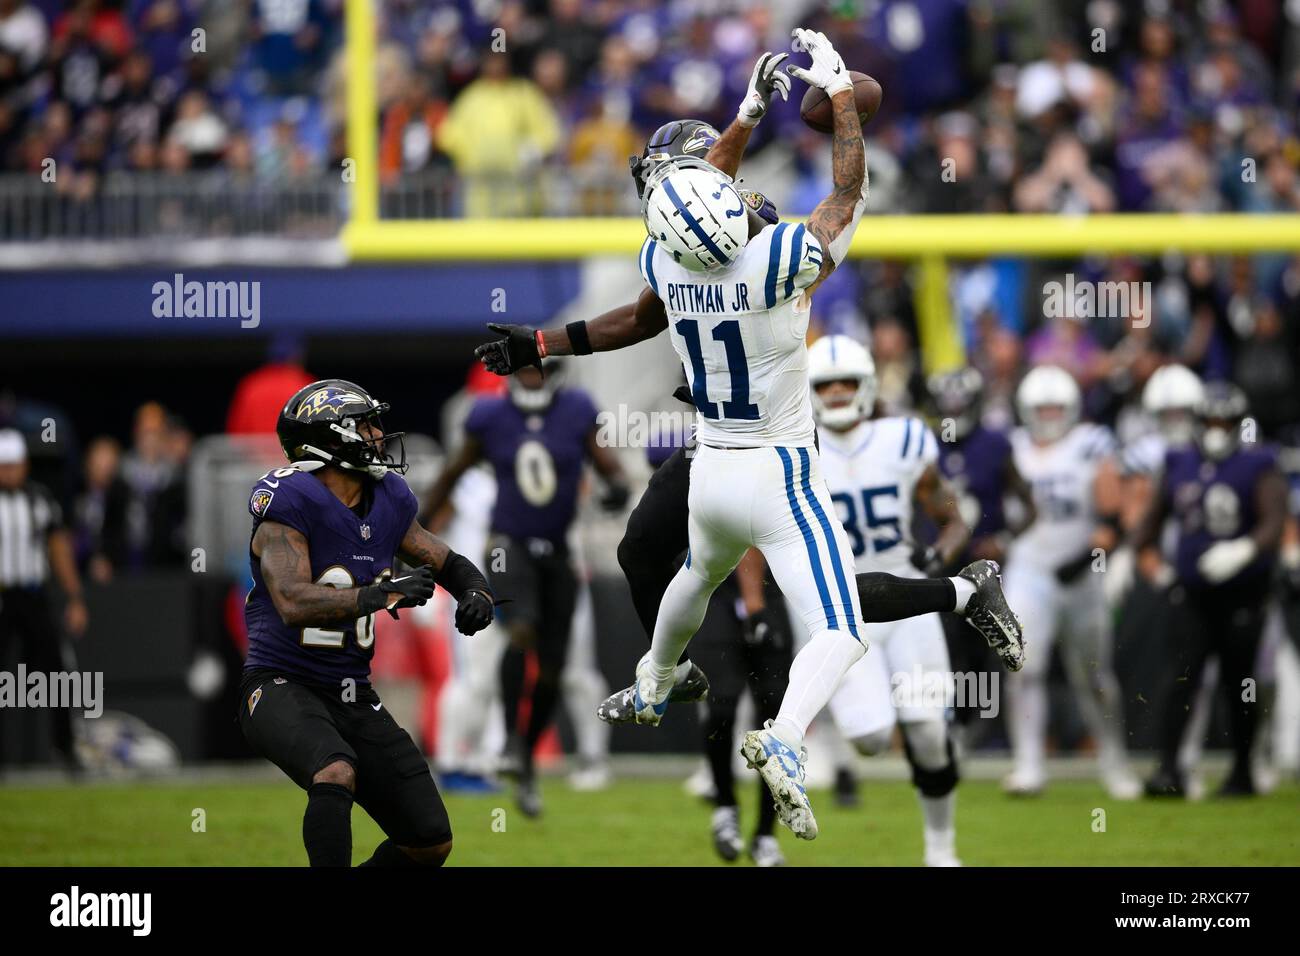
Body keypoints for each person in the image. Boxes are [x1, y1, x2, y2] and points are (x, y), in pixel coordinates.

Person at [475, 38, 1023, 838]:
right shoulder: (778, 257)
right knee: (837, 629)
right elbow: (847, 190)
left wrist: (746, 114)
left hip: (714, 469)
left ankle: (657, 675)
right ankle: (789, 740)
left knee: (696, 575)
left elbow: (684, 225)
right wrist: (837, 96)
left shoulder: (665, 261)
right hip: (778, 467)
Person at [238, 380, 495, 867]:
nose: (378, 434)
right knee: (334, 770)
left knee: (428, 840)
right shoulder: (288, 500)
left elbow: (441, 557)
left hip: (351, 691)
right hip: (280, 683)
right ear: (330, 440)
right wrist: (382, 593)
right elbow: (292, 600)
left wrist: (475, 592)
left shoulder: (388, 498)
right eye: (365, 424)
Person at [422, 360, 629, 818]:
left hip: (558, 551)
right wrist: (410, 535)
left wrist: (617, 487)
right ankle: (502, 748)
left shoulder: (575, 410)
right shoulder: (491, 421)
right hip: (505, 550)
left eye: (541, 370)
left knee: (557, 667)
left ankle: (528, 756)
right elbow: (451, 475)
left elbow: (607, 466)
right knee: (519, 633)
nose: (533, 380)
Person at [810, 336, 974, 866]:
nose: (836, 393)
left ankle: (941, 848)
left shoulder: (903, 440)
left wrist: (938, 554)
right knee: (872, 738)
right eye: (824, 385)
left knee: (927, 729)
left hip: (905, 599)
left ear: (867, 388)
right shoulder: (795, 446)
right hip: (839, 609)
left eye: (846, 383)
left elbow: (953, 518)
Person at [1135, 383, 1286, 797]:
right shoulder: (1179, 460)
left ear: (1240, 425)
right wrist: (1155, 569)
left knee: (1240, 682)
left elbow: (1274, 521)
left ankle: (1242, 771)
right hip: (1193, 592)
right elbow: (1149, 524)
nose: (1217, 430)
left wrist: (1244, 548)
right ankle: (1169, 770)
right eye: (1211, 421)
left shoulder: (1258, 462)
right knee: (1181, 679)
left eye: (1226, 422)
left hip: (1244, 591)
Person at [1001, 365, 1141, 799]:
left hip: (1082, 573)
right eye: (1040, 407)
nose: (1047, 415)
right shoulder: (1012, 446)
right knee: (1024, 666)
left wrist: (1092, 556)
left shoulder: (1091, 443)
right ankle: (1028, 765)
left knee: (1095, 676)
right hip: (1029, 568)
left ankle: (1114, 761)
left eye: (1055, 407)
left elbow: (1114, 513)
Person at [927, 367, 1036, 746]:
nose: (954, 412)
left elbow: (1030, 505)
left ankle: (983, 729)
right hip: (940, 566)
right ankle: (951, 726)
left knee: (989, 650)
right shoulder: (926, 444)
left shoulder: (994, 445)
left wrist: (1004, 540)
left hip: (986, 571)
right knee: (943, 648)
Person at [0, 428, 88, 770]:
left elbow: (58, 548)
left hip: (33, 594)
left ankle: (64, 748)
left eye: (14, 465)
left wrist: (75, 596)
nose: (9, 472)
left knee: (56, 671)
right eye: (3, 466)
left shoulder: (39, 500)